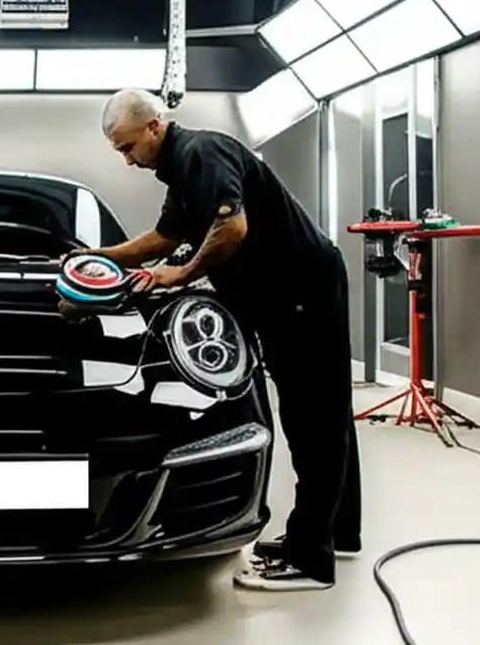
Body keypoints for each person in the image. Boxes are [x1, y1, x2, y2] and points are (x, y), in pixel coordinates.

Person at [77, 89, 361, 591]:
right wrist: (98, 257)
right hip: (288, 289)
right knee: (325, 411)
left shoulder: (200, 152)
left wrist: (182, 274)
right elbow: (162, 238)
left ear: (154, 127)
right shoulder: (180, 168)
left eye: (127, 148)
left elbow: (232, 228)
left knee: (311, 414)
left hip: (299, 288)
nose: (126, 160)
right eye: (119, 151)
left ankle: (309, 559)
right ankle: (334, 532)